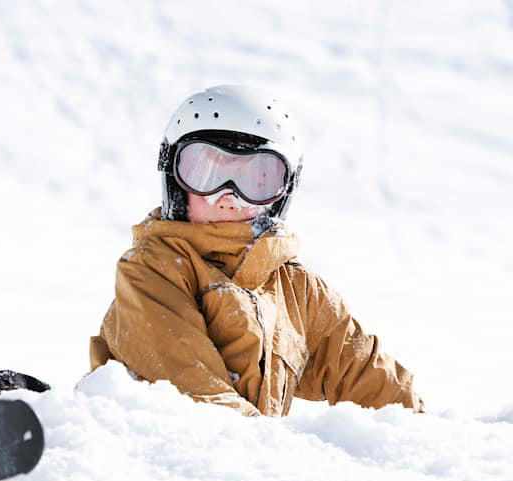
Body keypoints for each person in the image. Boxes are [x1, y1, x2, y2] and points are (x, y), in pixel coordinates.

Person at [89, 84, 424, 417]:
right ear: (175, 182)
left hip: (244, 463)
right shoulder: (152, 270)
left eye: (256, 179)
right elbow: (198, 405)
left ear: (281, 193)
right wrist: (280, 454)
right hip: (162, 460)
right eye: (205, 173)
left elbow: (378, 385)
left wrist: (430, 445)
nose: (229, 197)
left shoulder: (297, 292)